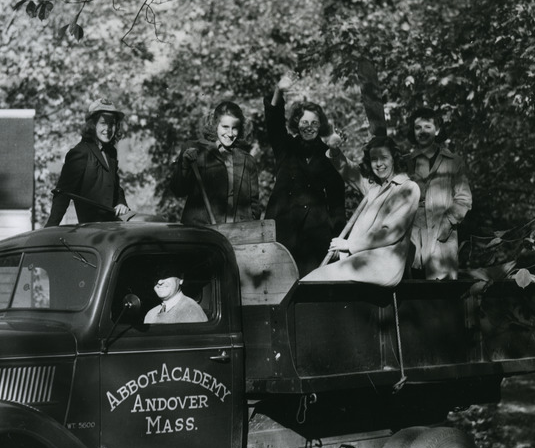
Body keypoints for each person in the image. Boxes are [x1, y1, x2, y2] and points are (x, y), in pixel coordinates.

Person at [303, 137, 419, 288]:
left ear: (394, 159)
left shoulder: (408, 188)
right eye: (373, 159)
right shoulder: (375, 188)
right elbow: (350, 171)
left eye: (384, 158)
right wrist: (334, 150)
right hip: (364, 260)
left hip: (384, 265)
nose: (378, 164)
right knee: (311, 280)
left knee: (315, 280)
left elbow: (390, 233)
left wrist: (349, 245)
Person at [263, 74, 347, 276]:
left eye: (314, 123)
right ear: (296, 123)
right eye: (304, 122)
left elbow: (337, 200)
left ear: (321, 126)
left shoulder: (328, 154)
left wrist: (338, 240)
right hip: (283, 231)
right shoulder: (285, 148)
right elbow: (274, 122)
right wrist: (278, 90)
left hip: (315, 236)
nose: (309, 127)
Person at [169, 101, 262, 226]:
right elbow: (178, 190)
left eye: (234, 128)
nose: (230, 134)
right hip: (202, 234)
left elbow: (254, 205)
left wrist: (247, 228)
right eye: (225, 127)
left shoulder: (247, 160)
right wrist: (185, 165)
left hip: (237, 235)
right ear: (215, 125)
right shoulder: (194, 150)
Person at [406, 108, 472, 280]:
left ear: (437, 130)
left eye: (427, 127)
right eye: (418, 128)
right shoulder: (406, 162)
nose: (422, 132)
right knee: (411, 292)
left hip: (440, 237)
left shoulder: (453, 162)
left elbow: (464, 198)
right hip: (411, 239)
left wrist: (448, 222)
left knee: (442, 293)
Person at [45, 98, 131, 227]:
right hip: (92, 230)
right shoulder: (80, 153)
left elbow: (116, 187)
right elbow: (62, 193)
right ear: (92, 125)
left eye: (112, 124)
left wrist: (121, 202)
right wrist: (50, 228)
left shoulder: (111, 153)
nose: (108, 129)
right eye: (103, 123)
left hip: (114, 225)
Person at [143, 264, 208, 324]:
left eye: (166, 275)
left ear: (181, 279)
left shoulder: (192, 311)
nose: (159, 282)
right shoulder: (151, 315)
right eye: (156, 276)